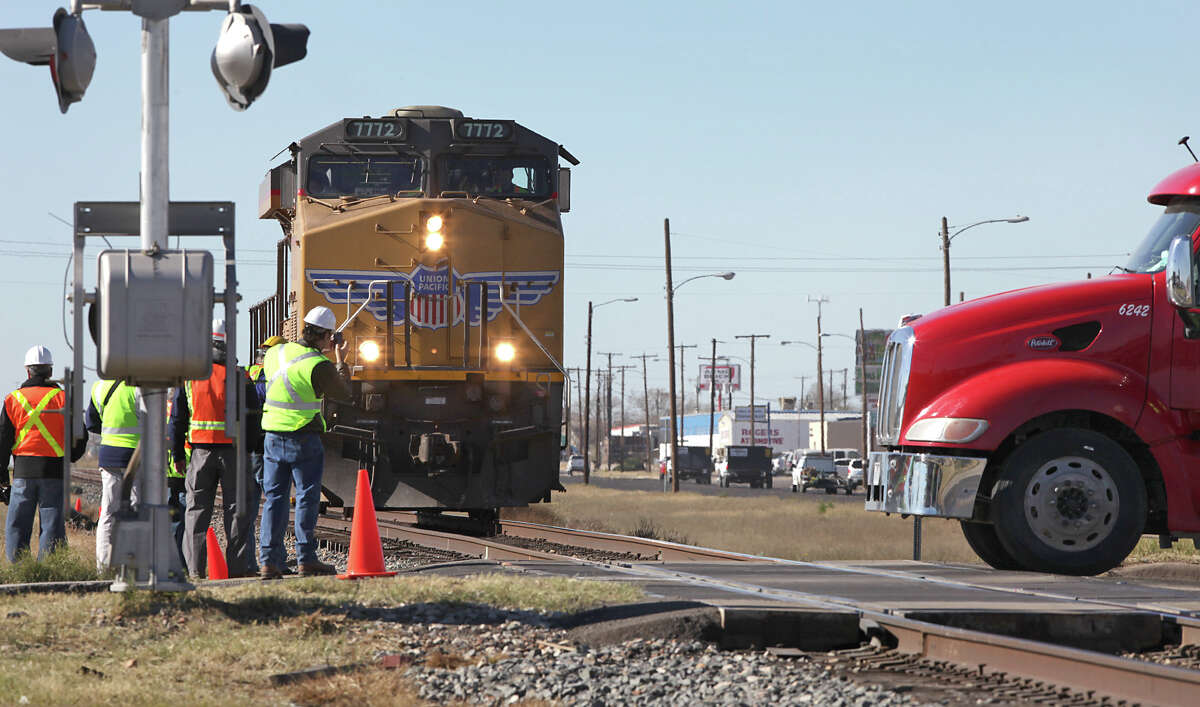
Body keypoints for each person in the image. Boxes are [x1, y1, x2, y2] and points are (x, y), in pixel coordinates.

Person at [258, 306, 351, 579]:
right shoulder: (318, 365)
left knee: (274, 499)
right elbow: (344, 393)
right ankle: (305, 559)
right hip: (303, 437)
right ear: (326, 337)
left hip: (273, 436)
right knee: (306, 498)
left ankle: (268, 561)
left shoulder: (275, 353)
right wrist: (340, 359)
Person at [169, 319, 261, 578]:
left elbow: (176, 419)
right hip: (234, 453)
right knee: (236, 511)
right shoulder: (240, 376)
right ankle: (237, 570)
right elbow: (254, 417)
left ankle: (196, 571)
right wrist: (251, 449)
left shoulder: (190, 379)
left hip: (200, 454)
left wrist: (177, 454)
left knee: (196, 511)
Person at [1, 346, 86, 562]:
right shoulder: (63, 398)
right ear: (49, 371)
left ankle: (19, 571)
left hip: (22, 473)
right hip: (54, 472)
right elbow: (80, 436)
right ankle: (48, 569)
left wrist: (2, 477)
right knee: (52, 527)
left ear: (27, 371)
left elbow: (2, 441)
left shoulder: (13, 400)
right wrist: (70, 457)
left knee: (17, 526)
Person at [87, 375, 143, 571]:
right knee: (136, 510)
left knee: (108, 512)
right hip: (135, 457)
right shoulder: (138, 387)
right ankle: (133, 564)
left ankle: (103, 566)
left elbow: (92, 423)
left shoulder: (98, 387)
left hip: (109, 455)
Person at [246, 335, 284, 569]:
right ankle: (273, 560)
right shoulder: (272, 378)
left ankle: (249, 562)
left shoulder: (249, 373)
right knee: (274, 504)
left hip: (249, 447)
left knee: (248, 508)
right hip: (266, 446)